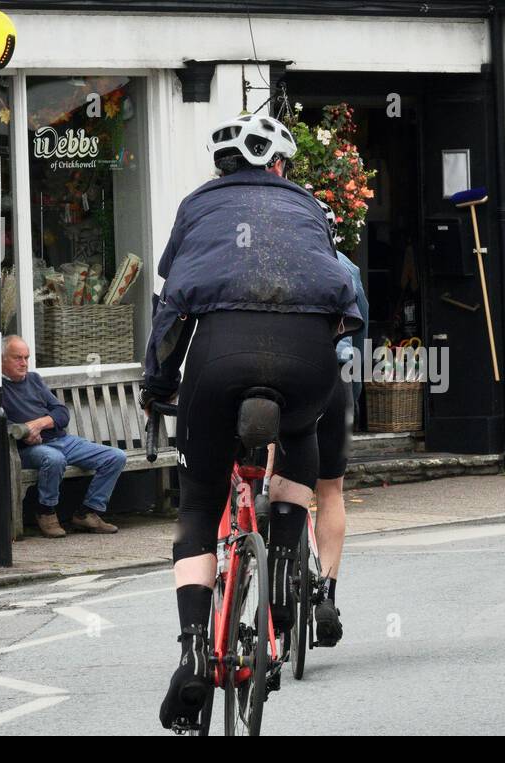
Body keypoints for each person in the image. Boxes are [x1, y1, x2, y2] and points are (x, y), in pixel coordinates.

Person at [143, 113, 362, 729]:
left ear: (222, 167)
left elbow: (174, 306)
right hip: (307, 359)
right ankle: (285, 590)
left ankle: (192, 652)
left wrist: (158, 387)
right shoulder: (310, 208)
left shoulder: (197, 207)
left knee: (197, 506)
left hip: (218, 358)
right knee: (299, 435)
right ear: (281, 166)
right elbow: (347, 308)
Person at [284, 198, 368, 647]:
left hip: (276, 387)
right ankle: (328, 593)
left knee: (278, 481)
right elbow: (358, 342)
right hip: (330, 384)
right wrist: (348, 403)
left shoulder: (268, 265)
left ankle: (276, 575)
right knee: (330, 489)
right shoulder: (346, 270)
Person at [0, 335, 126, 537]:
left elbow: (61, 412)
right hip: (26, 449)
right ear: (1, 359)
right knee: (54, 459)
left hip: (61, 440)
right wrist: (23, 432)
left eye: (26, 357)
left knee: (115, 456)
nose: (24, 363)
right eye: (18, 358)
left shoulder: (33, 379)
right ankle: (46, 511)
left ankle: (87, 512)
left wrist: (39, 424)